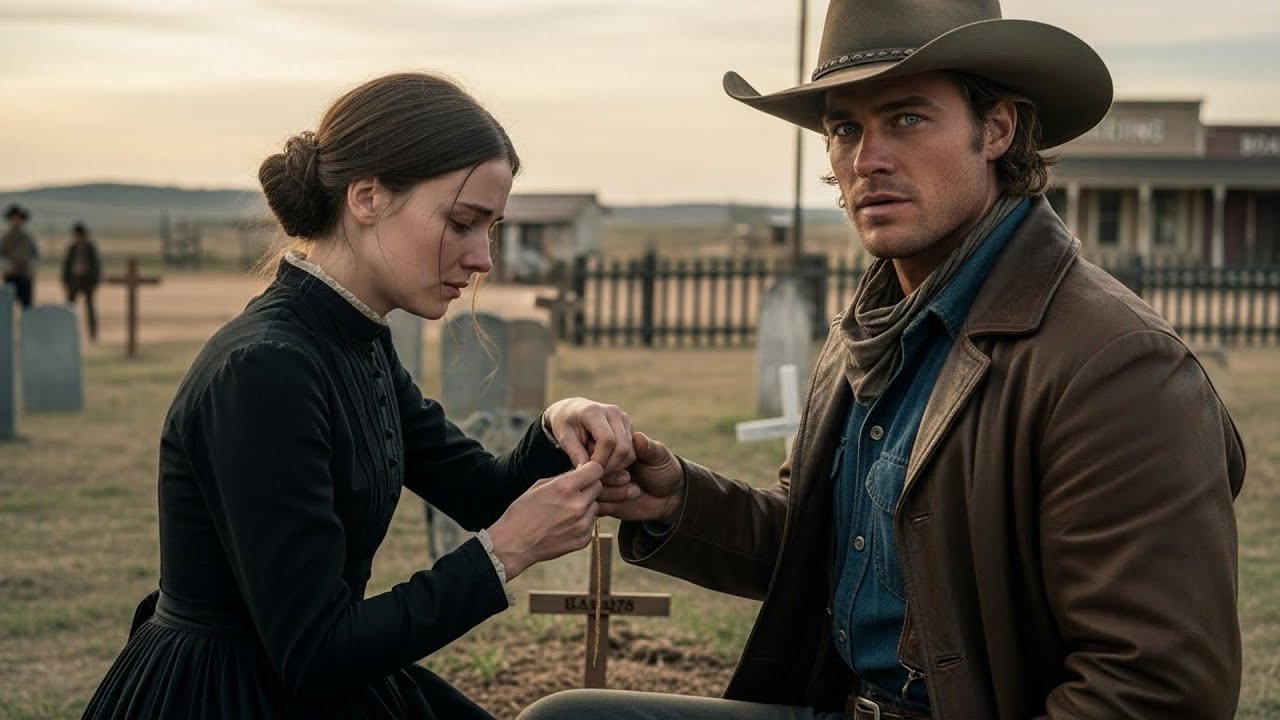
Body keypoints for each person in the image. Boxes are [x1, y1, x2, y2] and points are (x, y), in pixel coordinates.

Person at [521, 1, 1246, 719]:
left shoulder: (1114, 364)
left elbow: (1159, 687)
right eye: (844, 128)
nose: (867, 160)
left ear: (997, 129)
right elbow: (835, 549)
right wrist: (678, 499)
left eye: (906, 118)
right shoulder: (870, 329)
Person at [81, 71, 640, 720]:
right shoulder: (266, 370)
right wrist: (506, 552)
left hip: (329, 677)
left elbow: (482, 492)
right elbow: (316, 652)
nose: (483, 258)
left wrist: (560, 421)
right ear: (368, 197)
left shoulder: (355, 339)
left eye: (491, 228)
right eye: (463, 223)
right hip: (227, 693)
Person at [62, 221, 102, 341]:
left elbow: (96, 266)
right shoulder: (72, 248)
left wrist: (94, 280)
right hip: (74, 282)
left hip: (88, 282)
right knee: (69, 308)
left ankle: (93, 335)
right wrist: (66, 281)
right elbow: (66, 266)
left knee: (90, 309)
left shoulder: (90, 248)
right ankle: (67, 331)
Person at [2, 202, 38, 308]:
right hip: (10, 277)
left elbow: (35, 256)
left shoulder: (28, 238)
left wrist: (29, 267)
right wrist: (9, 266)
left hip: (25, 277)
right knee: (7, 307)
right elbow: (2, 256)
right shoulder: (5, 238)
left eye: (18, 219)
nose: (16, 221)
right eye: (13, 219)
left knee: (27, 307)